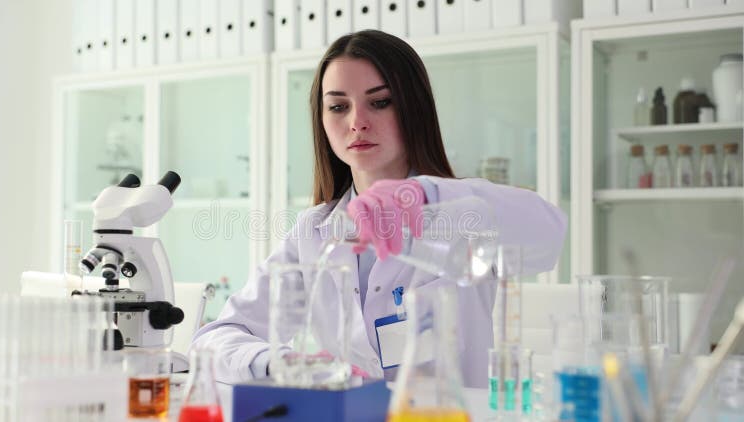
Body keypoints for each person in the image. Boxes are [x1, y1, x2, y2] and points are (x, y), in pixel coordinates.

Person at [192, 30, 566, 388]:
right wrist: (281, 362)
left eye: (380, 102)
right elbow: (216, 337)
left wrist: (425, 197)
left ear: (414, 109)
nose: (357, 123)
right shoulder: (315, 231)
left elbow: (549, 233)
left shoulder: (459, 209)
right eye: (338, 107)